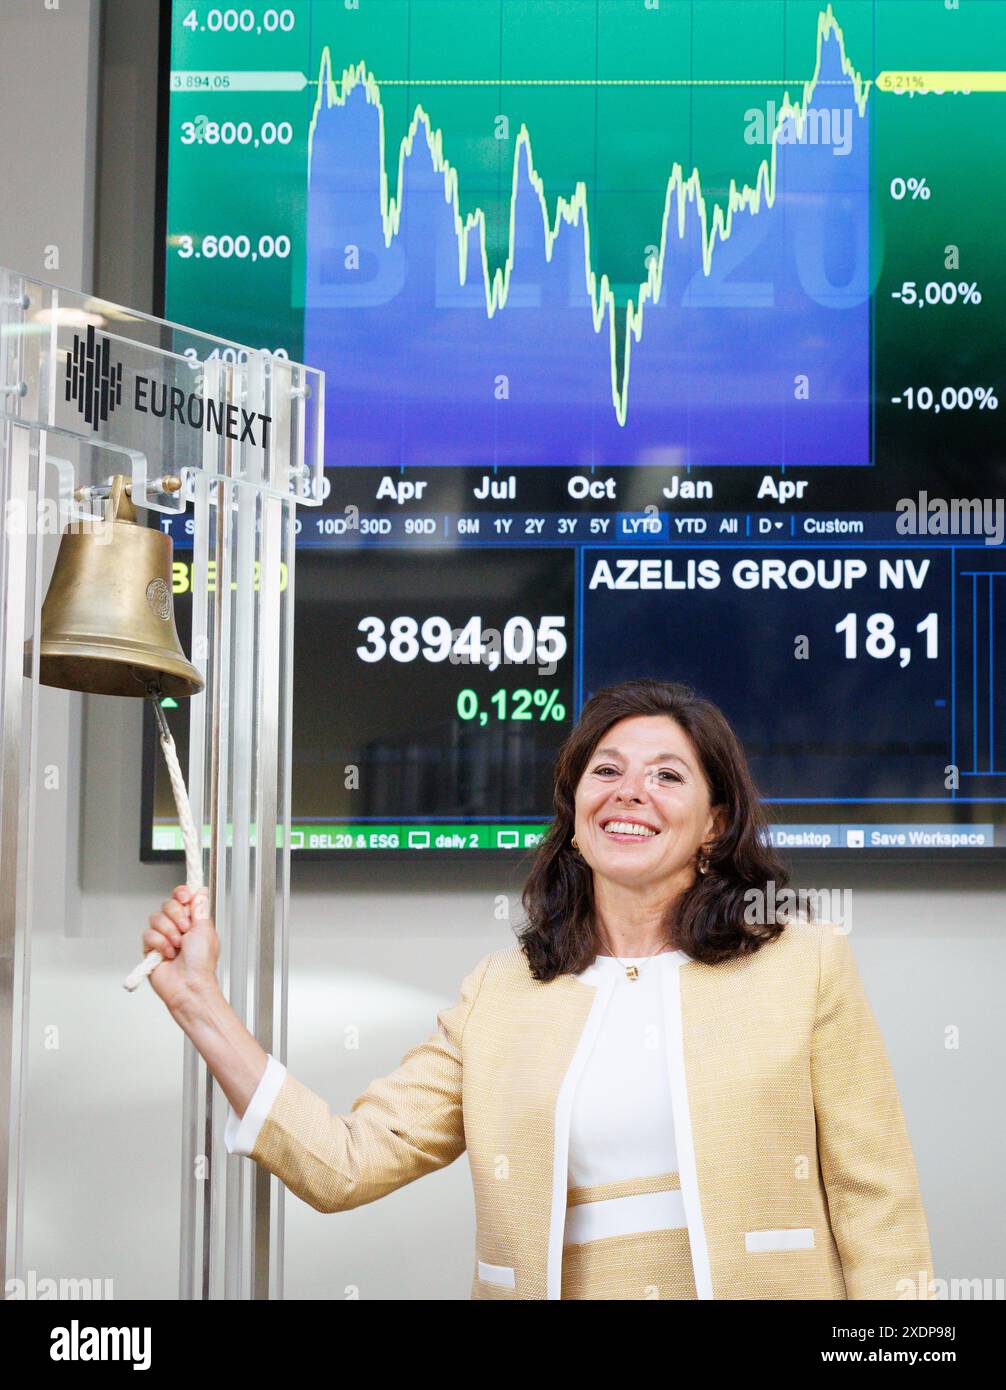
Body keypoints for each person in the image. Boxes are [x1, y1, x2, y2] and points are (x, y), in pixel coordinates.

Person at [143, 677, 935, 1300]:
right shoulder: (501, 993)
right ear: (577, 805)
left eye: (667, 775)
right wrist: (200, 1003)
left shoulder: (805, 965)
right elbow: (347, 1163)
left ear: (716, 824)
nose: (630, 792)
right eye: (606, 771)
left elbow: (878, 1202)